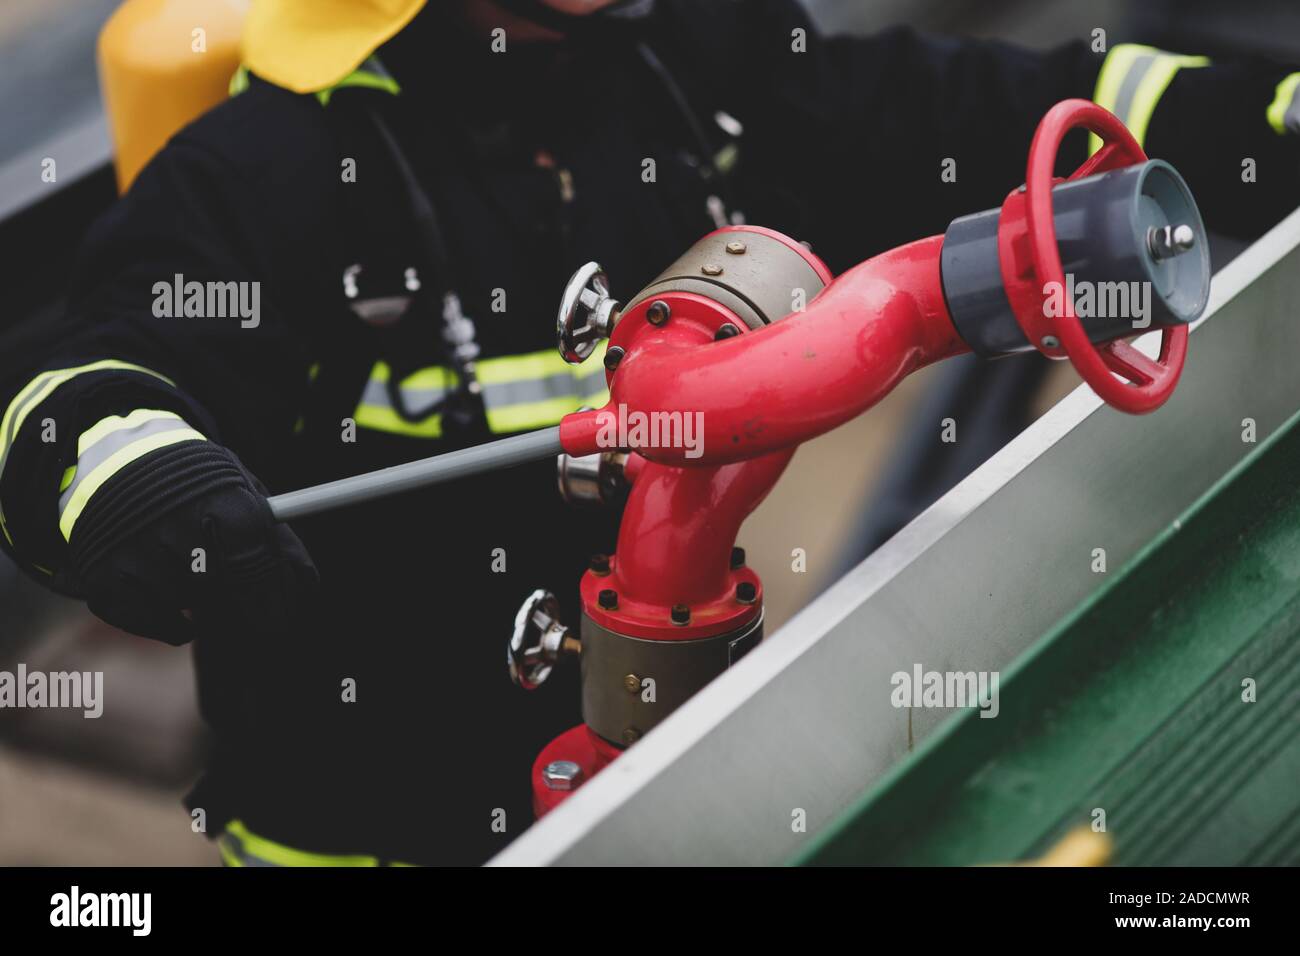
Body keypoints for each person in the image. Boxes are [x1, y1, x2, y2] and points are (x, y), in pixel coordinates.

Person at [1, 0, 1296, 865]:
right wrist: (128, 469)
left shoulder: (698, 67)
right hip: (359, 827)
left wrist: (1252, 128)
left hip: (659, 784)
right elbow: (83, 375)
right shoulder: (271, 165)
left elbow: (980, 108)